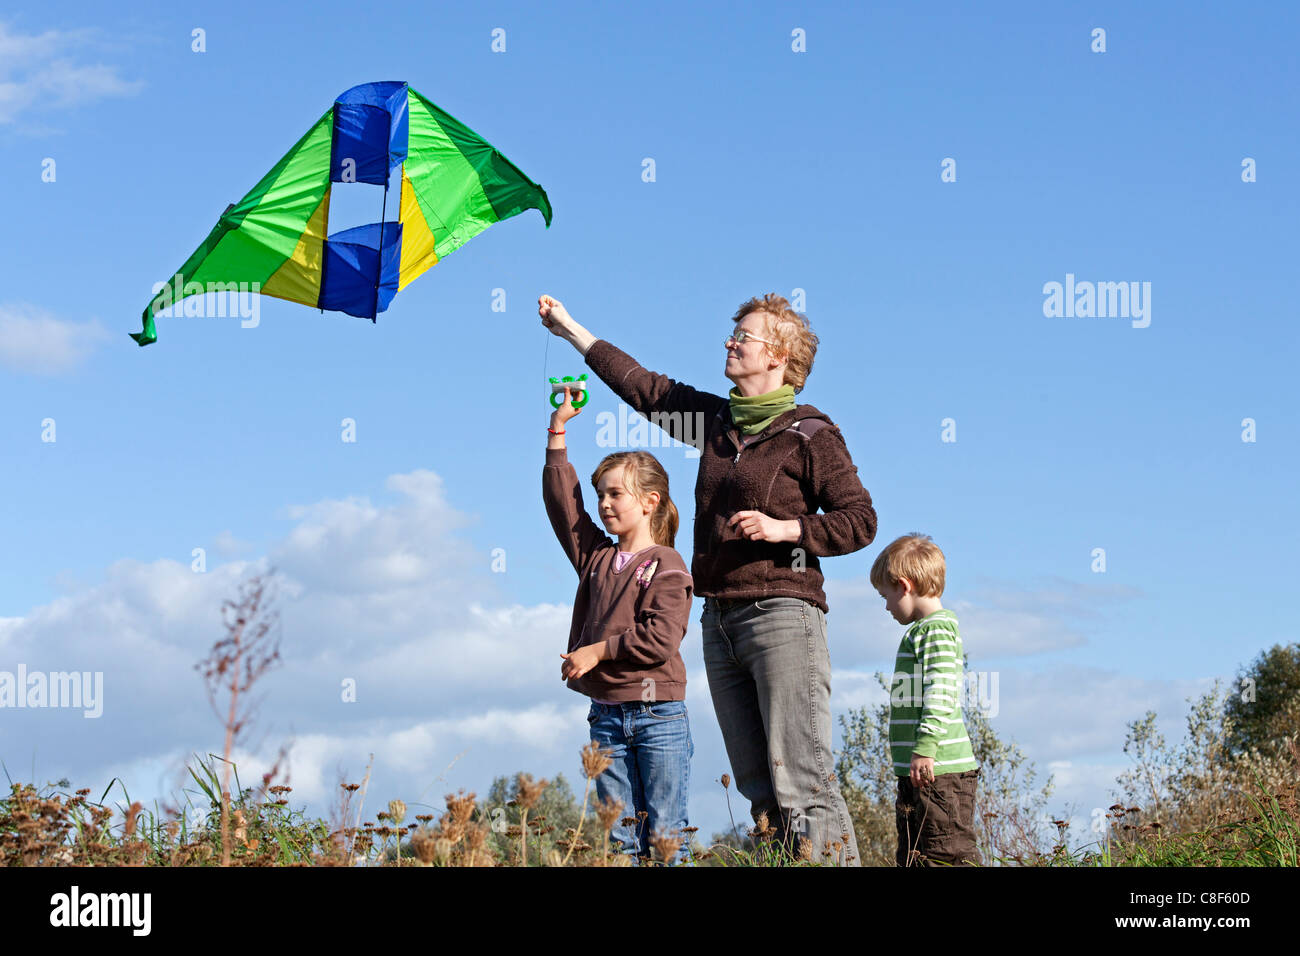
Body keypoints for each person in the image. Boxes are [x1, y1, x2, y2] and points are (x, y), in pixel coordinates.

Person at [539, 292, 876, 865]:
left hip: (783, 615)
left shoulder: (811, 434)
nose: (729, 342)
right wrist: (572, 330)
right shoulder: (716, 423)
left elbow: (860, 521)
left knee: (801, 775)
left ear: (779, 354)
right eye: (732, 333)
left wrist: (785, 529)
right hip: (719, 619)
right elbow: (646, 388)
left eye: (743, 335)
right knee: (756, 786)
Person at [542, 384, 695, 863]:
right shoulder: (596, 557)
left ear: (650, 501)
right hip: (606, 716)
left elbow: (659, 640)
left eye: (616, 494)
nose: (605, 503)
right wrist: (558, 430)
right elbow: (562, 507)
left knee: (667, 837)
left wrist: (597, 651)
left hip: (658, 717)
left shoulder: (667, 564)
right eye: (600, 494)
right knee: (620, 839)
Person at [870, 534, 981, 867]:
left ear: (904, 586)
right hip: (920, 771)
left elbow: (943, 689)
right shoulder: (921, 631)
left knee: (945, 855)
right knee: (914, 857)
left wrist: (925, 748)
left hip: (939, 771)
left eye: (885, 596)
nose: (886, 606)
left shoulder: (935, 630)